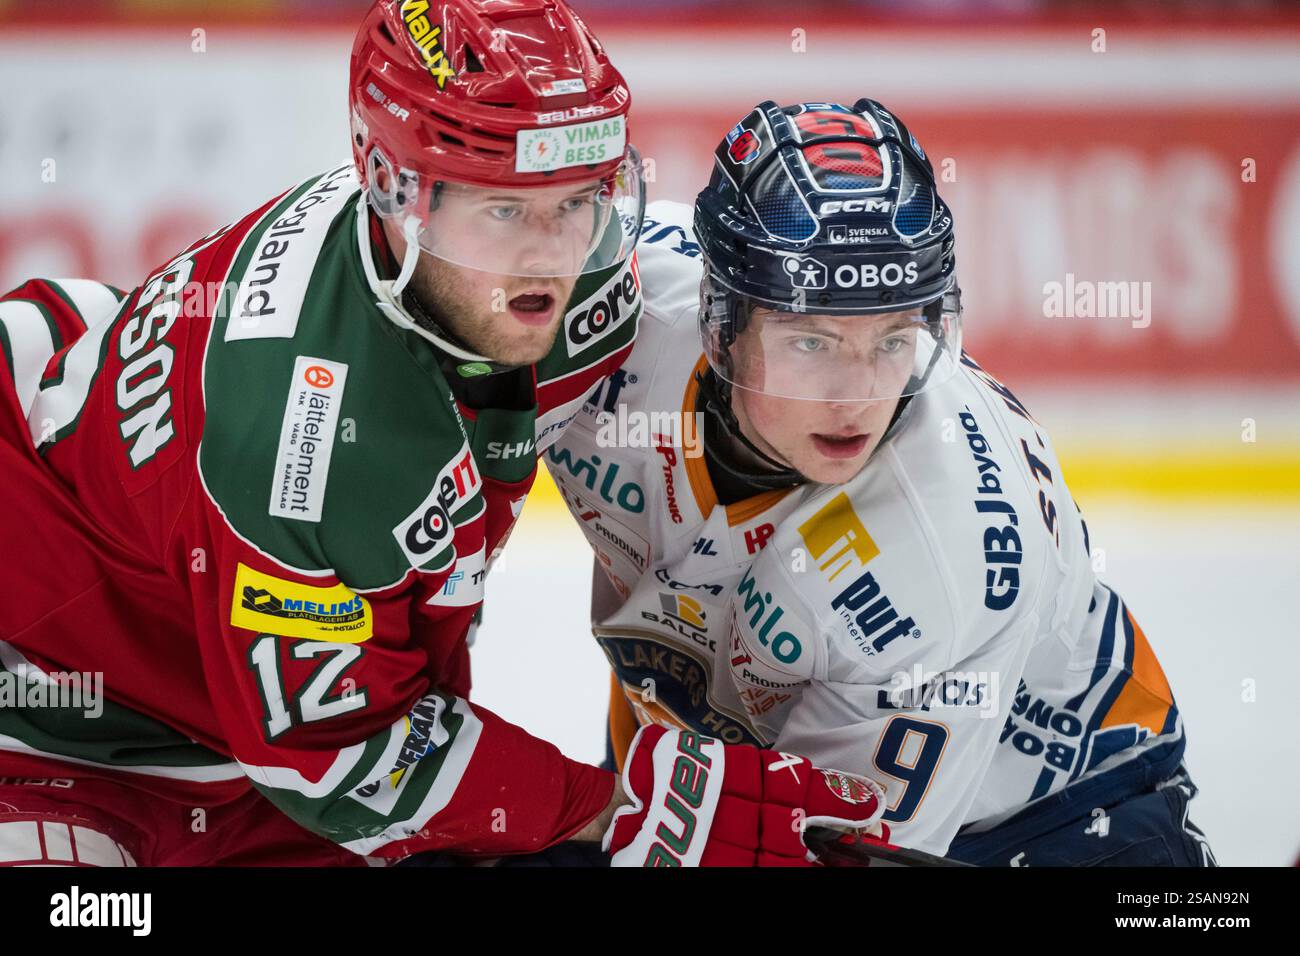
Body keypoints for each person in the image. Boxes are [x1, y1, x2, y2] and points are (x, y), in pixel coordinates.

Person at [0, 0, 654, 867]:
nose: (550, 259)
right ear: (391, 187)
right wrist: (624, 810)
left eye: (577, 202)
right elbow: (339, 759)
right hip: (42, 721)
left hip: (243, 724)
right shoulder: (297, 437)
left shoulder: (580, 289)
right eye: (503, 211)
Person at [547, 99, 1217, 866]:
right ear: (719, 320)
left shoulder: (946, 542)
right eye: (812, 339)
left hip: (1048, 823)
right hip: (700, 742)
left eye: (893, 338)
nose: (856, 397)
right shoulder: (613, 310)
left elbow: (833, 851)